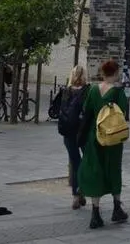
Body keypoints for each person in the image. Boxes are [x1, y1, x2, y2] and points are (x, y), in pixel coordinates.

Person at [77, 60, 129, 230]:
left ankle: (96, 214)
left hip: (95, 137)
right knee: (114, 170)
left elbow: (87, 111)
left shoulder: (92, 90)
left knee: (95, 172)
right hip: (112, 138)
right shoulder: (118, 91)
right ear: (114, 73)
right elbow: (123, 113)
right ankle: (116, 208)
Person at [58, 65, 89, 210]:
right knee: (87, 161)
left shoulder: (66, 91)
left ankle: (76, 195)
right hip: (83, 131)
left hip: (68, 132)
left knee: (75, 161)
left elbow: (60, 109)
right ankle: (83, 188)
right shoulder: (88, 90)